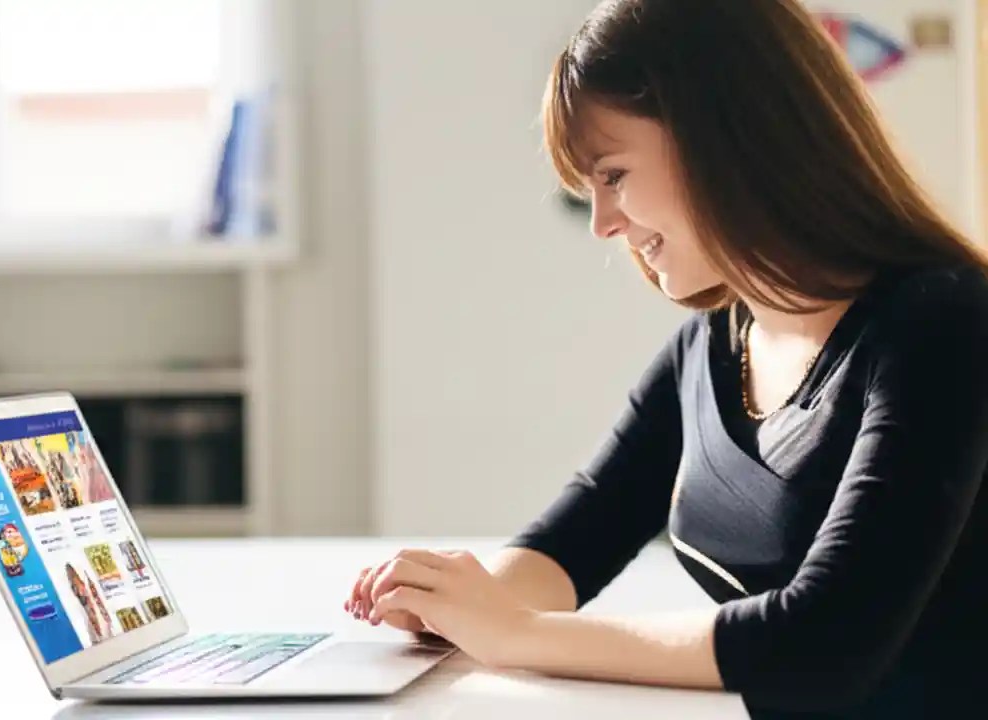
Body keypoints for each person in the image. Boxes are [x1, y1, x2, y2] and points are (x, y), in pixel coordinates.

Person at [344, 1, 988, 717]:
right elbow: (579, 536)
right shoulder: (714, 344)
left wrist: (516, 634)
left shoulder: (942, 326)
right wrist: (454, 606)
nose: (602, 224)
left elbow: (824, 644)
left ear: (728, 140)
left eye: (613, 174)